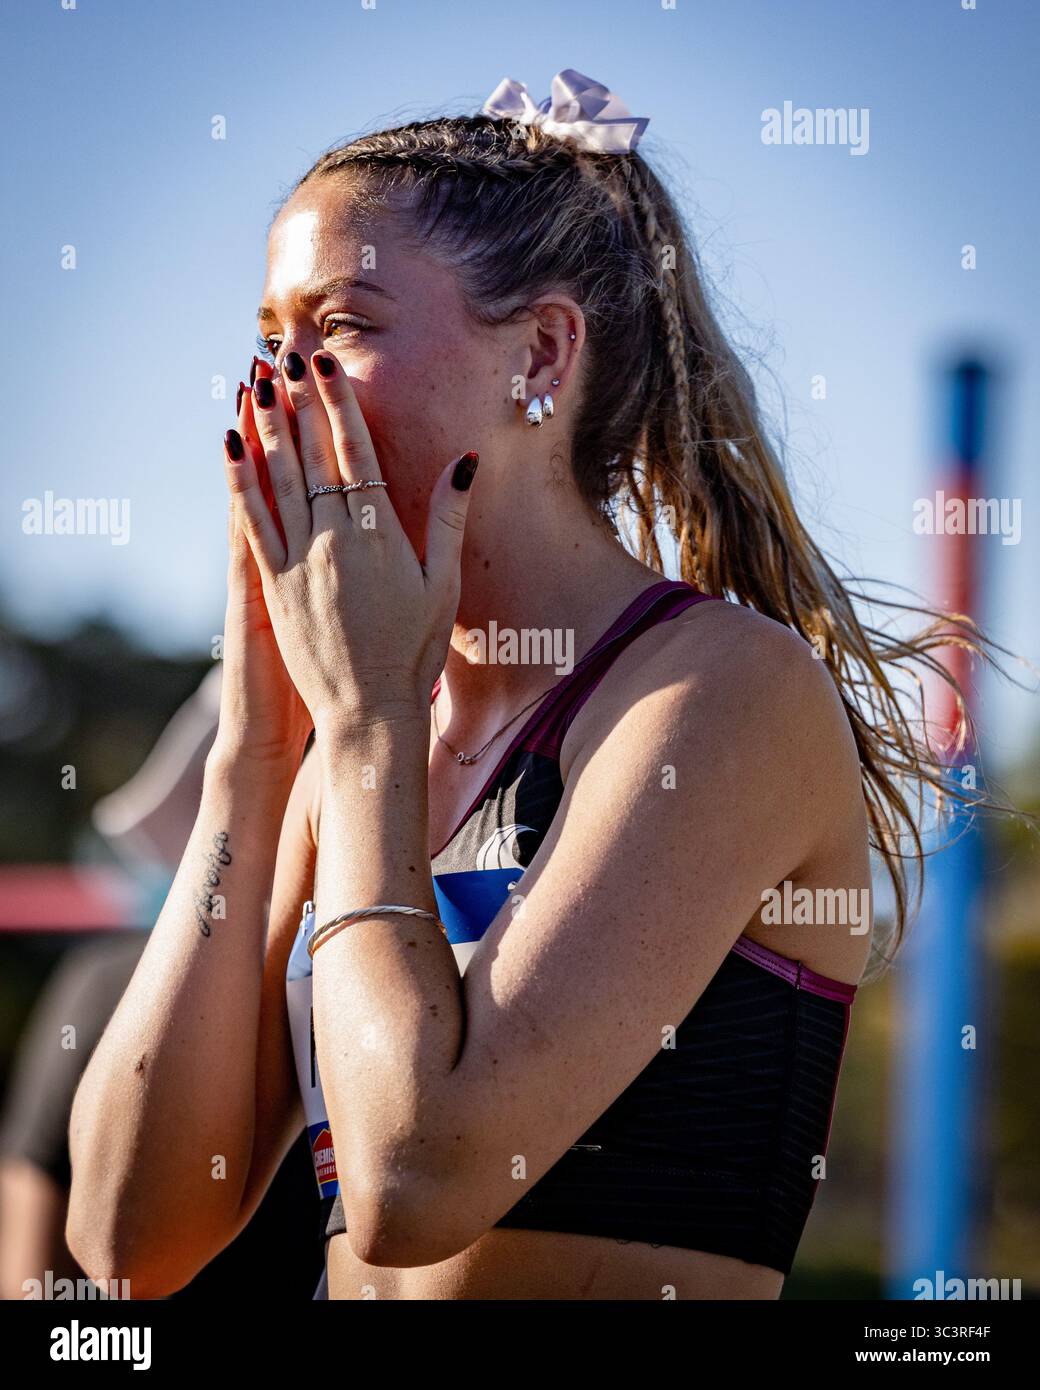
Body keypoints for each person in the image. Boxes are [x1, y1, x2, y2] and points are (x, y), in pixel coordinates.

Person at [65, 70, 992, 1300]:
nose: (285, 385)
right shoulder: (354, 735)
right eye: (266, 340)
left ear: (540, 354)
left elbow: (415, 1186)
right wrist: (253, 744)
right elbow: (127, 1241)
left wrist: (363, 723)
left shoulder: (718, 693)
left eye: (339, 326)